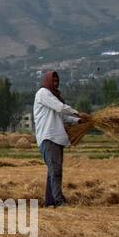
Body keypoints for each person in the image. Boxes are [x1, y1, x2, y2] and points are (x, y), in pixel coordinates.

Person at [33, 70, 80, 207]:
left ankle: (50, 202)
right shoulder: (43, 93)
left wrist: (78, 120)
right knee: (55, 171)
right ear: (47, 81)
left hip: (57, 138)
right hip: (49, 138)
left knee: (53, 171)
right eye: (53, 80)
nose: (56, 83)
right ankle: (59, 201)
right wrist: (77, 112)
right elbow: (60, 108)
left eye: (57, 80)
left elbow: (63, 117)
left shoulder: (54, 97)